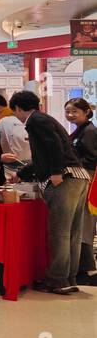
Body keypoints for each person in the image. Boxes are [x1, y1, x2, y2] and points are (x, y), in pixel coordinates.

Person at [9, 90, 89, 294]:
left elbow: (53, 146)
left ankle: (57, 280)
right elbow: (43, 154)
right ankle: (68, 278)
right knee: (72, 232)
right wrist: (22, 172)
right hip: (78, 177)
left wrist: (55, 172)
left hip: (65, 178)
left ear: (18, 108)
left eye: (14, 112)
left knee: (59, 233)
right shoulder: (44, 118)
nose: (15, 116)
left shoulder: (35, 121)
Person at [65, 97, 97, 284]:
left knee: (84, 224)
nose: (70, 115)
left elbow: (91, 159)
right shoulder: (80, 130)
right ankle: (83, 267)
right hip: (82, 179)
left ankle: (85, 270)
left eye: (74, 111)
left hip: (88, 181)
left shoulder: (90, 132)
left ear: (86, 112)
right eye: (68, 111)